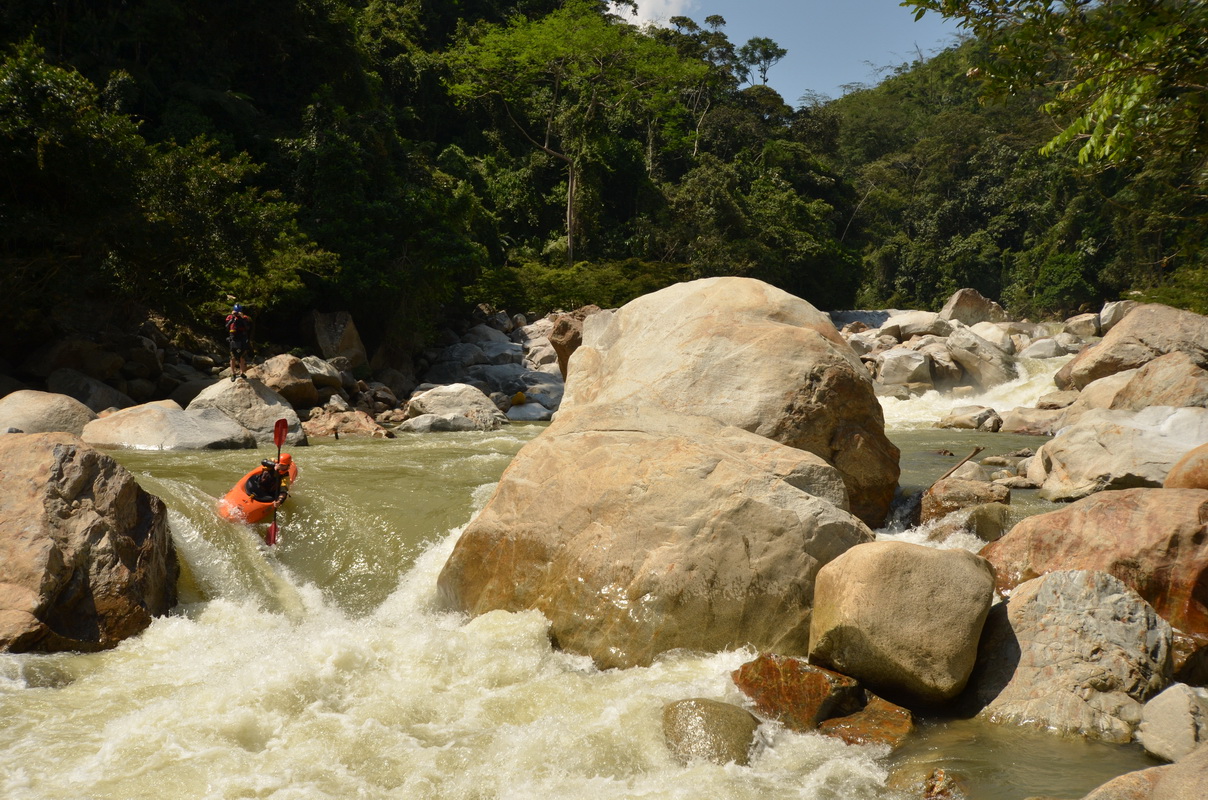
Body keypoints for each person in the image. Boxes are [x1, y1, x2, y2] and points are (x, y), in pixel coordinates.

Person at [224, 303, 252, 380]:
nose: (237, 314)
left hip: (242, 338)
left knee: (242, 357)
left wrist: (242, 318)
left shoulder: (245, 318)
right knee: (232, 357)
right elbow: (226, 327)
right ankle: (233, 373)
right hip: (233, 338)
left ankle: (242, 372)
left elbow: (247, 328)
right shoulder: (230, 317)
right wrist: (232, 319)